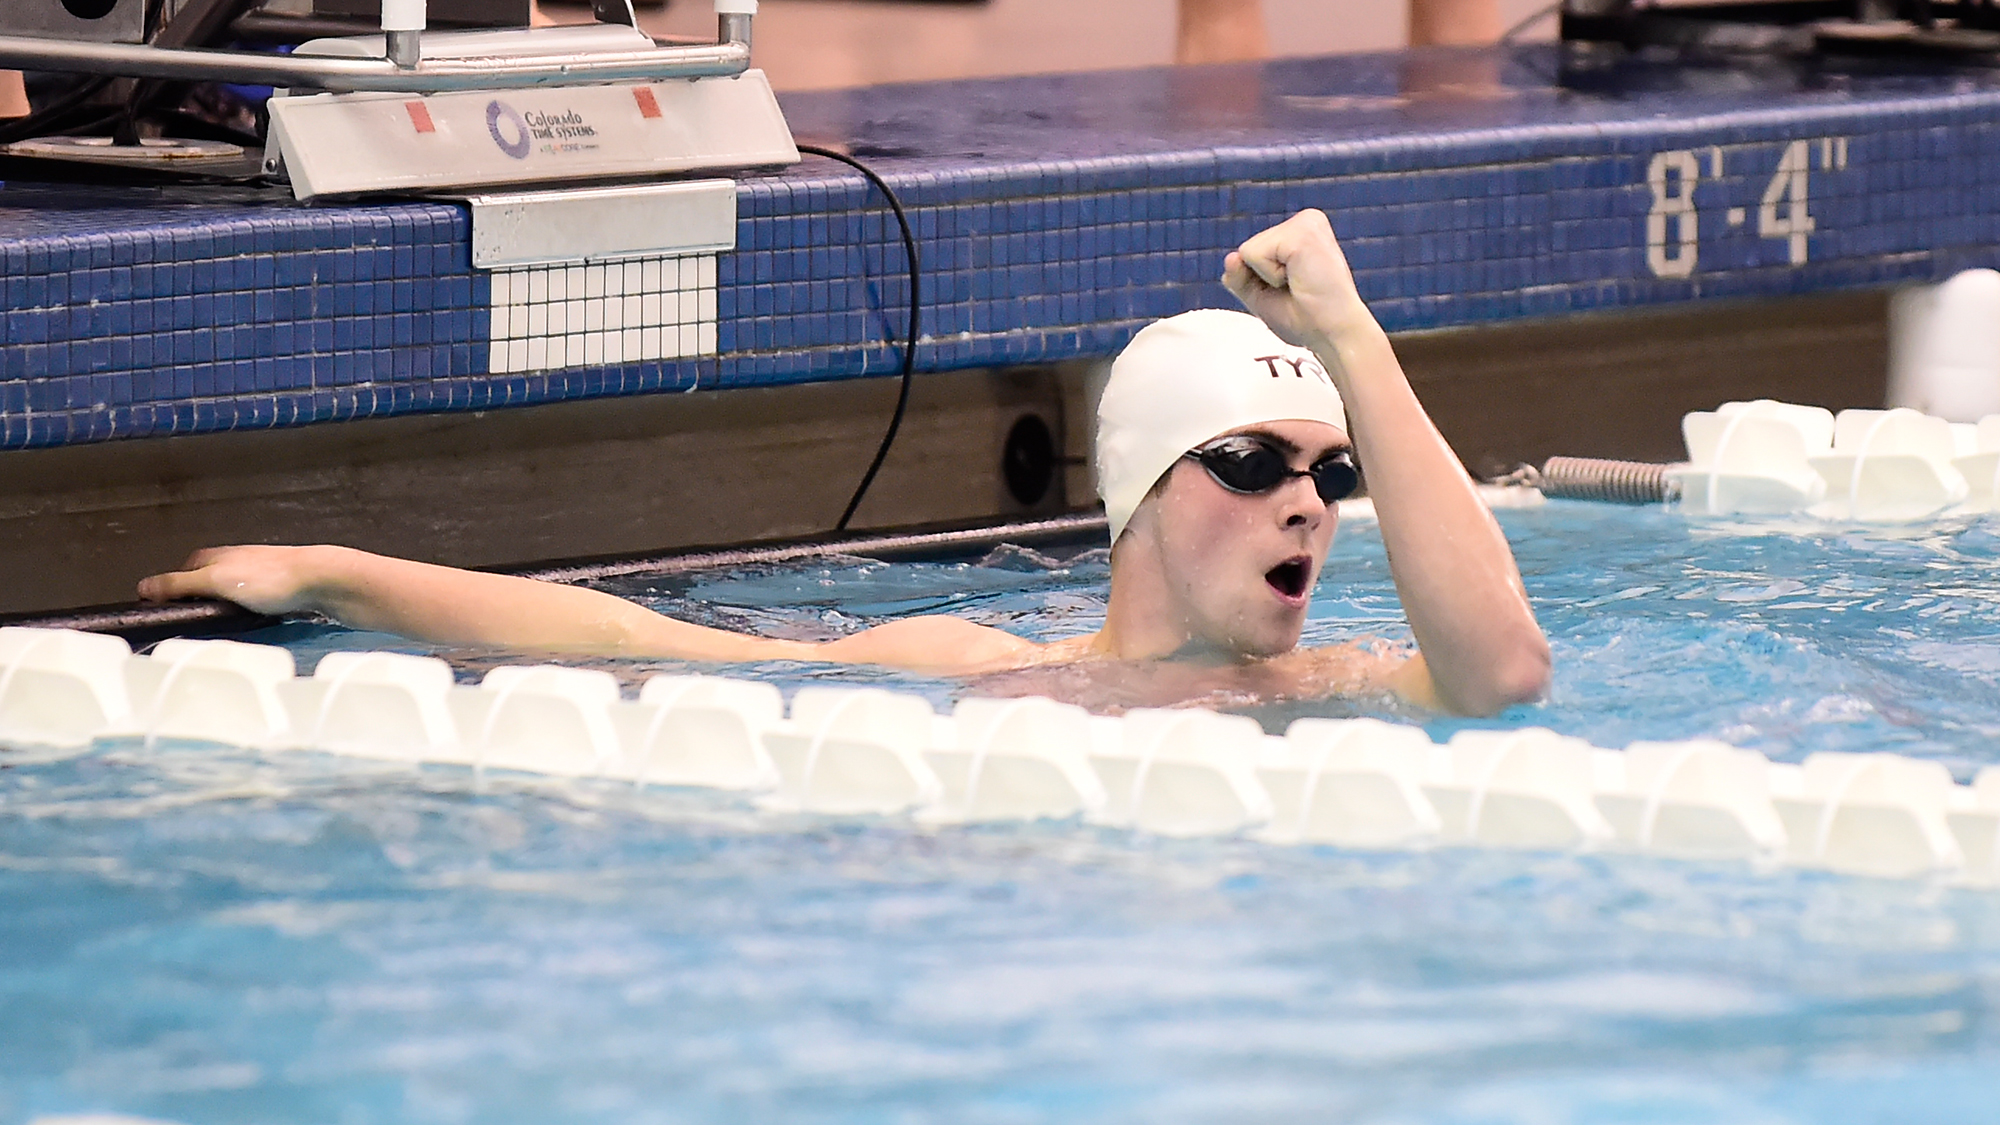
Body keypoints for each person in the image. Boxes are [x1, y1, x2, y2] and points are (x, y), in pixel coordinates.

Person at [140, 210, 1551, 717]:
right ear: (1139, 495)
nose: (1307, 499)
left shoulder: (1340, 689)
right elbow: (644, 642)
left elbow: (1501, 675)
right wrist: (343, 573)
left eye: (1330, 473)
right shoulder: (988, 671)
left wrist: (1355, 342)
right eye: (1250, 459)